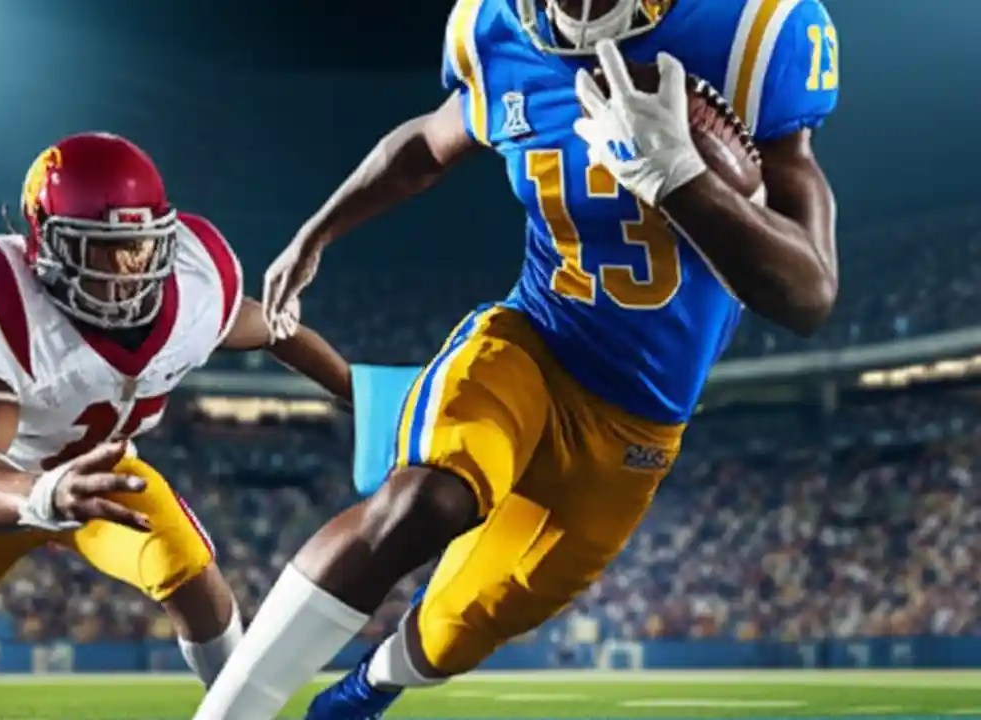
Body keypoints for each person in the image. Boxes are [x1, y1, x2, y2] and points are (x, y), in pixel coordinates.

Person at [195, 0, 840, 716]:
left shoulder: (753, 32)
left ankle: (360, 694)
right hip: (533, 339)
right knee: (426, 497)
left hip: (639, 419)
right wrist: (315, 235)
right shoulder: (492, 27)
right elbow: (423, 147)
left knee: (456, 631)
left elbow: (809, 295)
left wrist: (682, 180)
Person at [0, 132, 351, 720]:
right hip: (9, 487)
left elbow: (276, 328)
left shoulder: (194, 292)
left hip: (104, 477)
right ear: (47, 246)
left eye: (141, 247)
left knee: (191, 574)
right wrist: (43, 492)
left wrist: (353, 389)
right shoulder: (3, 303)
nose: (130, 271)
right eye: (104, 250)